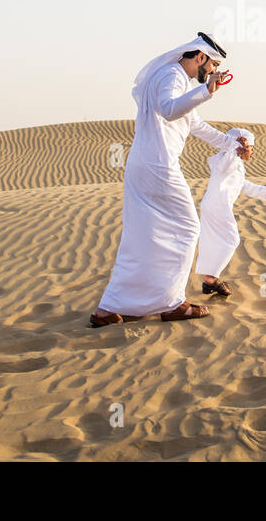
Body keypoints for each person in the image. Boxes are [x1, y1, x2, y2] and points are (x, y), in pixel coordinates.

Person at [90, 32, 248, 327]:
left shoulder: (173, 78)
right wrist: (207, 91)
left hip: (143, 164)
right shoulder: (172, 76)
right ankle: (173, 303)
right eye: (212, 66)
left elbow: (195, 124)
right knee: (188, 228)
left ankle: (109, 309)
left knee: (141, 237)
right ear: (200, 57)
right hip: (158, 166)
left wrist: (232, 144)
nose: (213, 72)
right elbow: (169, 109)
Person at [195, 128, 266, 296]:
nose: (253, 151)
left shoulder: (236, 164)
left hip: (214, 205)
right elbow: (223, 167)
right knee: (232, 240)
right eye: (251, 147)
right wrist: (235, 149)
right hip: (217, 206)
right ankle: (211, 279)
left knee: (215, 241)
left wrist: (265, 192)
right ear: (241, 145)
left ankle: (209, 280)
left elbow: (243, 185)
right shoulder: (226, 160)